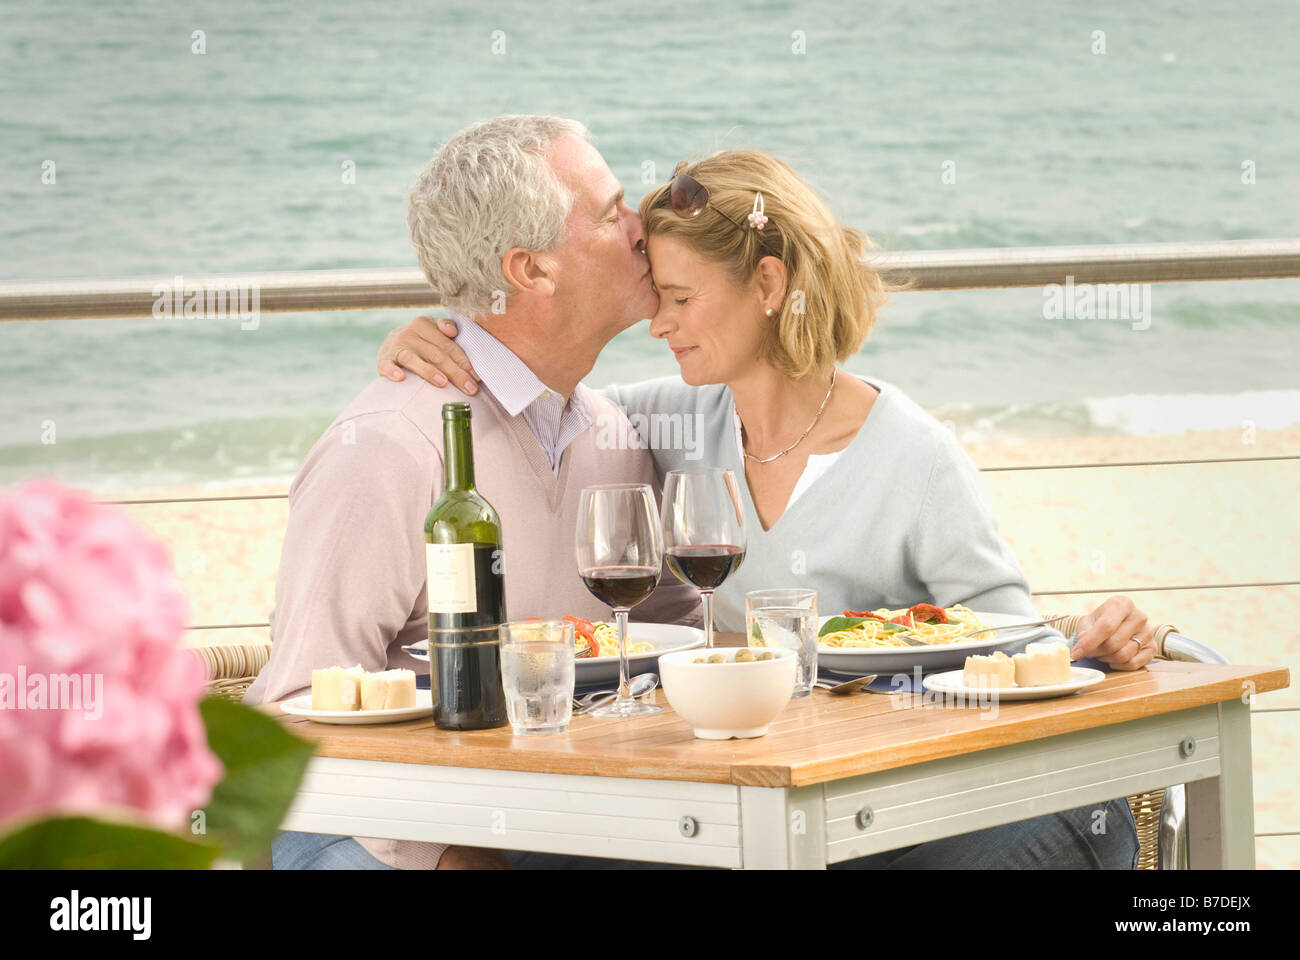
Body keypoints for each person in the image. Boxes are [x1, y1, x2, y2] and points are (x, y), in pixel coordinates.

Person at [377, 143, 1158, 868]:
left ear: (770, 285)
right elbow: (534, 391)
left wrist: (1093, 648)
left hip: (892, 805)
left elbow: (1013, 653)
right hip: (747, 810)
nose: (657, 323)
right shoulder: (664, 421)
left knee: (1086, 824)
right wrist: (435, 341)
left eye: (680, 298)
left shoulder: (914, 458)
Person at [243, 115, 700, 870]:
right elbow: (298, 704)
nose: (641, 226)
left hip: (543, 808)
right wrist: (444, 847)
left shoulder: (611, 432)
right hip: (362, 821)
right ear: (531, 270)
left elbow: (662, 630)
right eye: (611, 210)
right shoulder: (391, 446)